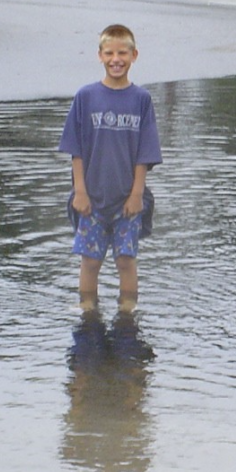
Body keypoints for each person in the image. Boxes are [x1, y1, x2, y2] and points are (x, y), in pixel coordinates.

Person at [59, 24, 162, 314]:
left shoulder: (141, 100)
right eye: (110, 53)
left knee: (126, 260)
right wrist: (79, 191)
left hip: (127, 198)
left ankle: (127, 311)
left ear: (134, 55)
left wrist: (136, 195)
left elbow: (145, 153)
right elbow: (75, 149)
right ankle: (87, 310)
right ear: (100, 56)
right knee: (89, 261)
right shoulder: (86, 97)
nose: (116, 59)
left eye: (122, 53)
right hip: (91, 198)